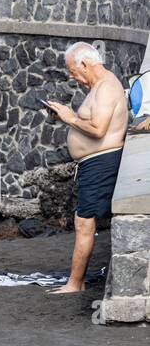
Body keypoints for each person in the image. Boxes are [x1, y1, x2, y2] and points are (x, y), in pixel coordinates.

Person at [44, 41, 128, 294]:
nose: (71, 75)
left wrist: (70, 117)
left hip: (101, 162)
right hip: (95, 162)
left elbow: (99, 129)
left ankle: (74, 283)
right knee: (83, 221)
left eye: (72, 69)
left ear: (85, 63)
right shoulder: (98, 87)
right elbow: (90, 121)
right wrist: (65, 117)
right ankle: (76, 281)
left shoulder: (105, 88)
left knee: (84, 223)